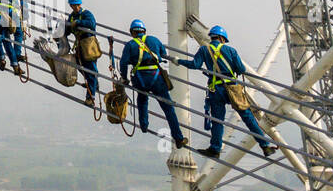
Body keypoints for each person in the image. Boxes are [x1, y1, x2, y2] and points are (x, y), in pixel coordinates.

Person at [176, 25, 277, 158]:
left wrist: (178, 61)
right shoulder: (230, 50)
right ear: (223, 39)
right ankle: (265, 146)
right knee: (247, 117)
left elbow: (195, 65)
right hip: (232, 88)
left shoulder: (204, 50)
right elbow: (241, 69)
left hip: (215, 89)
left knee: (218, 120)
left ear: (212, 37)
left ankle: (215, 149)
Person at [119, 19, 186, 149]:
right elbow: (163, 54)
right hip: (156, 78)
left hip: (140, 79)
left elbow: (123, 63)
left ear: (132, 32)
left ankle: (144, 125)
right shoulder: (154, 40)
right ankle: (178, 138)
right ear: (144, 31)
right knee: (168, 108)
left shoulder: (130, 45)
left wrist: (124, 77)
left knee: (142, 100)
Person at [64, 0, 101, 105]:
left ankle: (90, 97)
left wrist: (79, 23)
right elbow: (68, 31)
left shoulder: (86, 14)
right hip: (80, 46)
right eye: (73, 5)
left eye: (77, 5)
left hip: (89, 46)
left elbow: (92, 23)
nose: (75, 7)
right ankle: (93, 84)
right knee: (79, 65)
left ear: (80, 4)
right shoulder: (71, 16)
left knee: (91, 71)